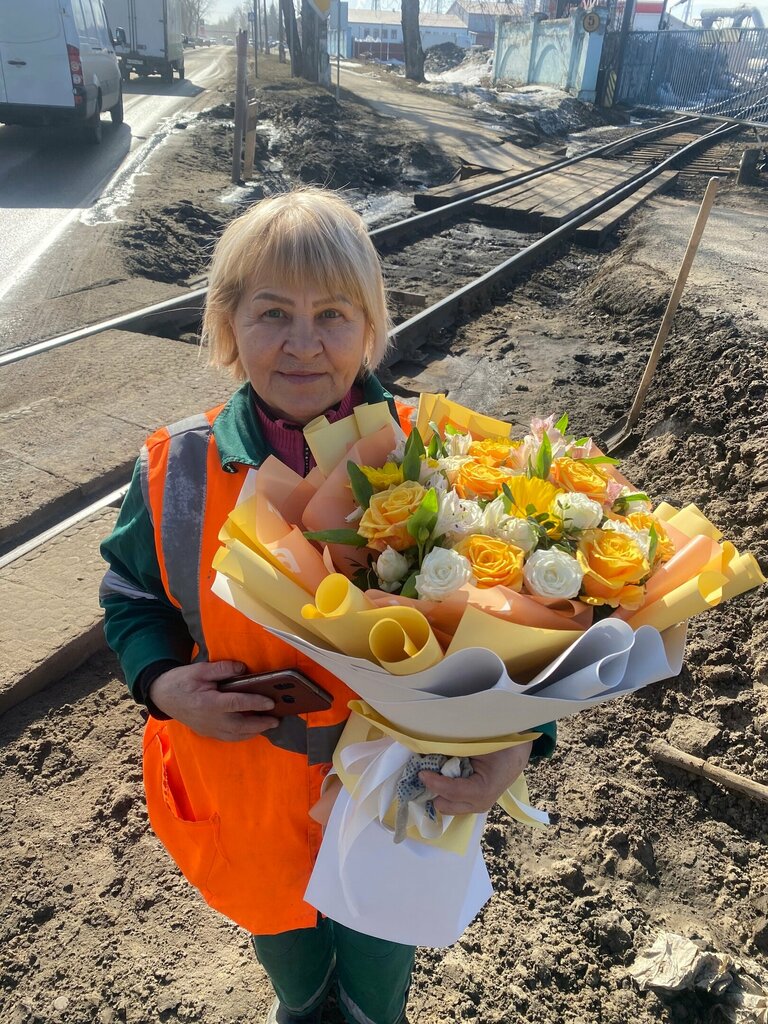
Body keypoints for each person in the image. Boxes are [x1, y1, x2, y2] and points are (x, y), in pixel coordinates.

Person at [99, 187, 556, 1024]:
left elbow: (529, 630)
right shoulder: (178, 470)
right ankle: (303, 1006)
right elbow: (133, 596)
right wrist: (163, 684)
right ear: (226, 325)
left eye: (334, 314)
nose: (303, 344)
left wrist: (519, 741)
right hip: (247, 791)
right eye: (272, 312)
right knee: (287, 950)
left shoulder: (445, 459)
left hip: (396, 790)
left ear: (372, 327)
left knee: (379, 968)